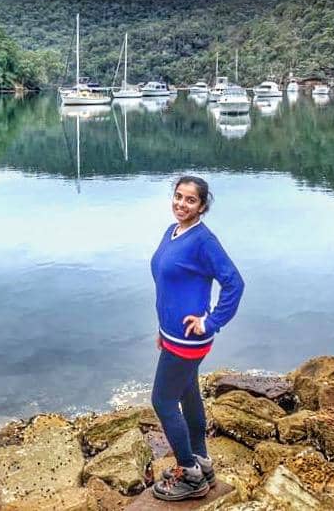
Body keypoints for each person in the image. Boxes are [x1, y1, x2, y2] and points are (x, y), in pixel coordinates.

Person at [150, 175, 245, 501]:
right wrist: (162, 329)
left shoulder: (204, 241)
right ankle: (202, 462)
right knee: (188, 394)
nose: (181, 204)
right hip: (172, 335)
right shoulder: (173, 231)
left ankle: (189, 474)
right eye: (178, 196)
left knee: (162, 401)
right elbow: (170, 287)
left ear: (202, 206)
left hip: (189, 340)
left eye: (190, 200)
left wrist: (212, 321)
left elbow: (234, 283)